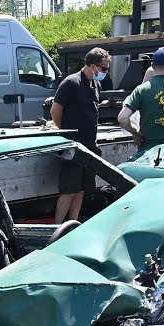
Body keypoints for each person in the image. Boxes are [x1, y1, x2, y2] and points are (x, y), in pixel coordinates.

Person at [50, 47, 110, 225]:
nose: (106, 72)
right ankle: (57, 228)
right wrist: (65, 131)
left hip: (90, 146)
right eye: (104, 68)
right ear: (92, 66)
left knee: (82, 190)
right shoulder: (71, 82)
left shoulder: (95, 85)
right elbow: (55, 110)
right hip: (73, 147)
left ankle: (73, 224)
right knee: (69, 190)